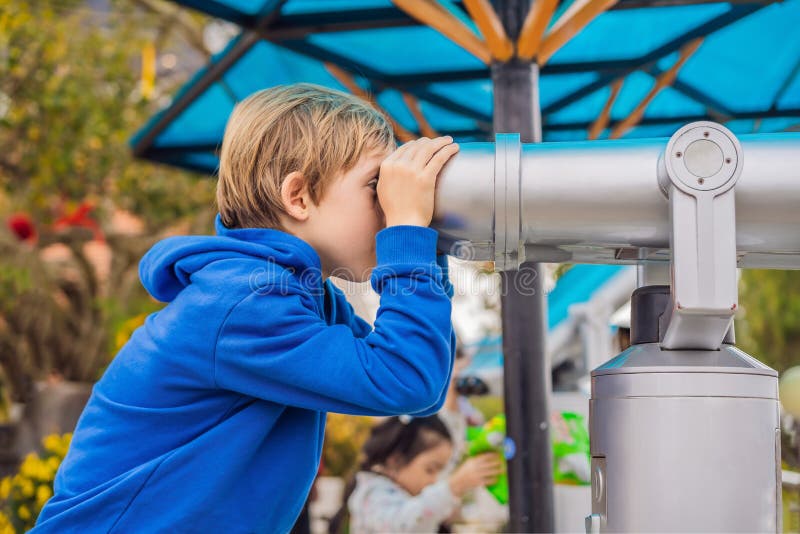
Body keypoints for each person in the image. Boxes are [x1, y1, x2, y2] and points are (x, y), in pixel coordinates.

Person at [33, 84, 460, 532]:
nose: (391, 208)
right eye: (377, 187)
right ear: (298, 197)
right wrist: (409, 233)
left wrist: (424, 242)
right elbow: (405, 379)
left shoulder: (302, 297)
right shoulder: (244, 302)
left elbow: (420, 377)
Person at [340, 415, 503, 533]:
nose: (434, 480)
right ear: (395, 460)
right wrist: (452, 487)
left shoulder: (408, 496)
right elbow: (402, 525)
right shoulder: (372, 493)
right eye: (430, 469)